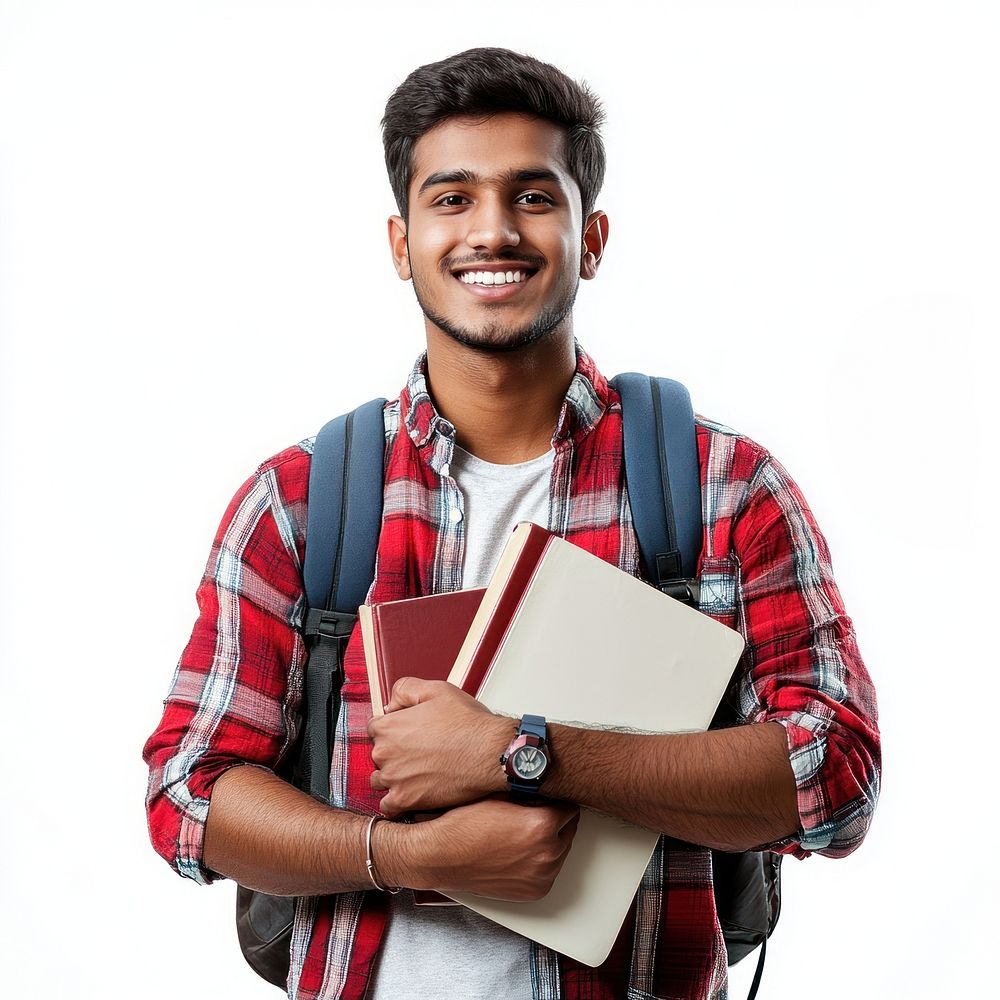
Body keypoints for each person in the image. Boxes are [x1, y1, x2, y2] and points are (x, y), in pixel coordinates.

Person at [143, 47, 880, 1000]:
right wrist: (414, 855)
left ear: (594, 235)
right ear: (402, 242)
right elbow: (188, 795)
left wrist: (521, 750)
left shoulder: (725, 490)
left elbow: (838, 777)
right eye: (451, 199)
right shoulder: (298, 503)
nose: (492, 230)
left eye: (534, 196)